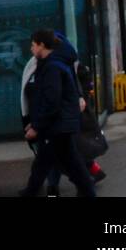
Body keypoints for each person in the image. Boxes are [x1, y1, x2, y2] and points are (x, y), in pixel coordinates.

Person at [20, 28, 96, 197]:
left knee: (48, 162)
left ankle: (32, 192)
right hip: (60, 124)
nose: (31, 49)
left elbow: (51, 101)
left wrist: (37, 126)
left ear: (41, 45)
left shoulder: (52, 67)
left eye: (33, 45)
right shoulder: (52, 64)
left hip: (58, 125)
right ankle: (87, 190)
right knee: (64, 163)